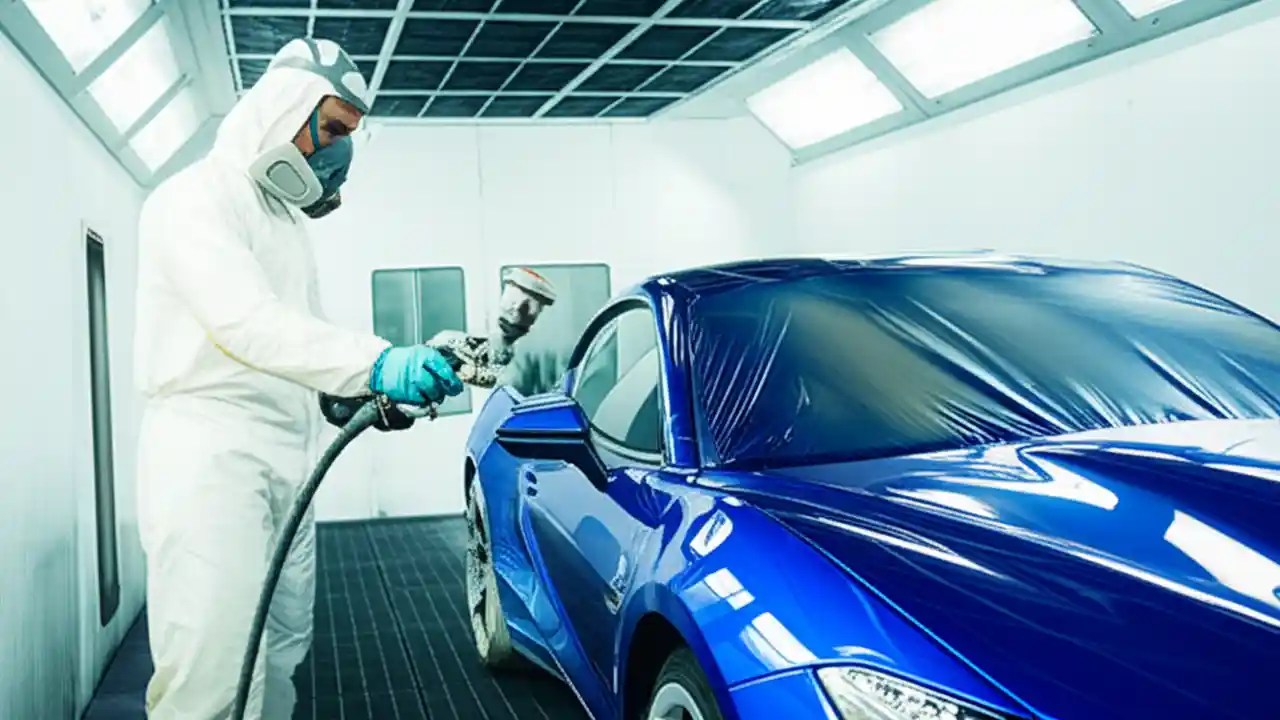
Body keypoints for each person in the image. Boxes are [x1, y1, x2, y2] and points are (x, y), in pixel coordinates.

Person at [131, 37, 462, 719]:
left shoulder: (283, 223)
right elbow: (245, 323)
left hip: (288, 452)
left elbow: (298, 342)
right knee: (213, 674)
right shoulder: (192, 201)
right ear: (283, 113)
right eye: (334, 128)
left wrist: (355, 396)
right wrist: (377, 362)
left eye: (350, 136)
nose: (341, 151)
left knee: (280, 652)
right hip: (211, 459)